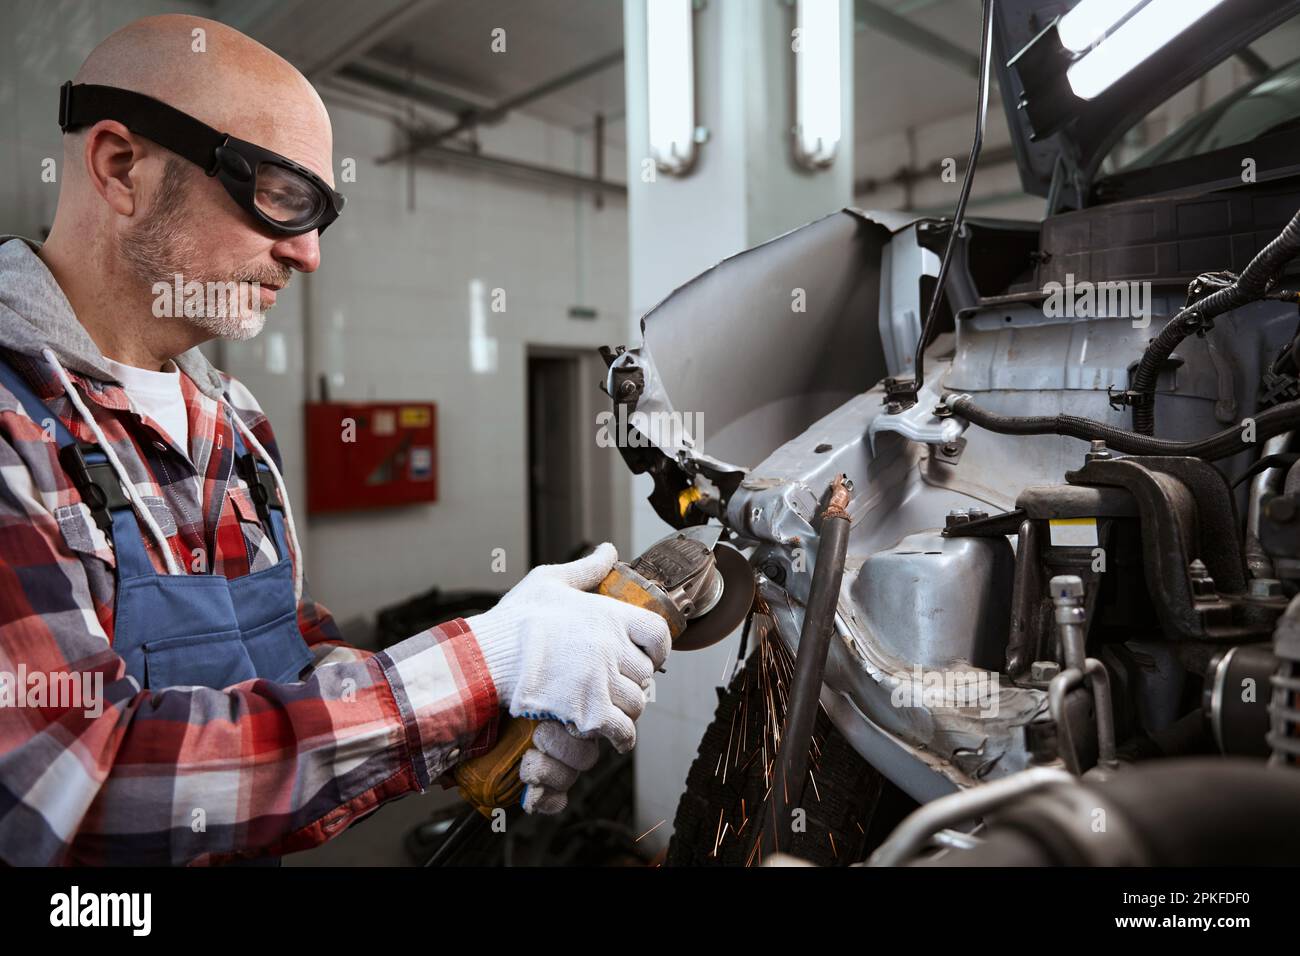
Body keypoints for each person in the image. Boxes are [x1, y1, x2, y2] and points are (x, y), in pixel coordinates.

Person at [0, 13, 669, 866]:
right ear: (121, 167)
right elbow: (76, 787)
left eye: (322, 214)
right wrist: (482, 662)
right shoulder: (16, 418)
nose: (308, 255)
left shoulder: (233, 420)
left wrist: (504, 702)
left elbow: (292, 667)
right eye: (280, 196)